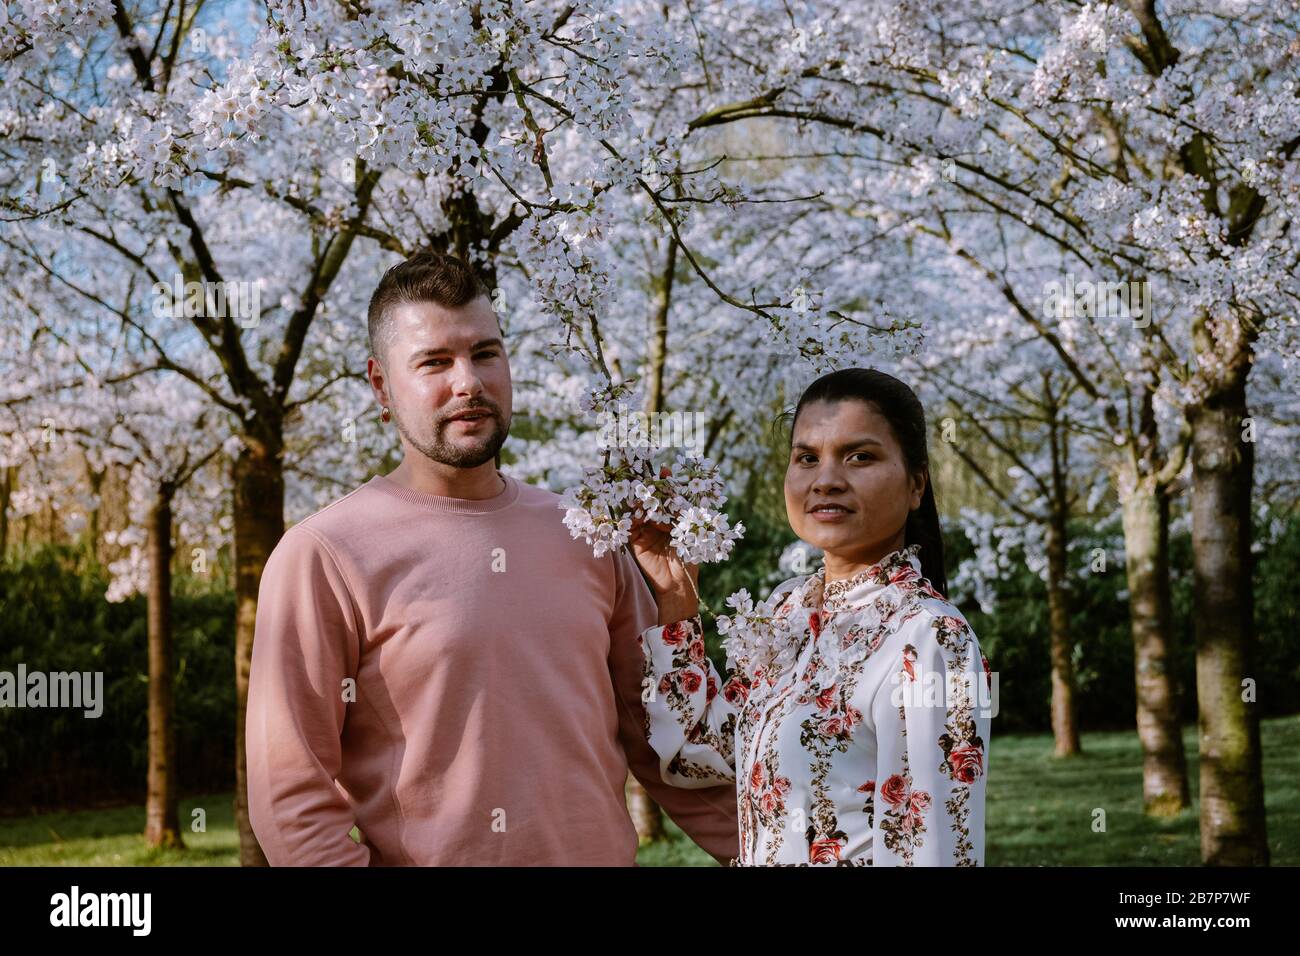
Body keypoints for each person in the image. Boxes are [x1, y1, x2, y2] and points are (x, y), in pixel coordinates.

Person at [246, 250, 739, 866]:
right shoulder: (324, 555)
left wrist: (778, 853)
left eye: (485, 353)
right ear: (381, 385)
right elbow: (291, 799)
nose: (468, 383)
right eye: (434, 362)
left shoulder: (587, 532)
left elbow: (669, 745)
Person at [629, 368, 992, 866]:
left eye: (860, 457)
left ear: (916, 485)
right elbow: (699, 754)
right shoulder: (789, 612)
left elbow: (932, 849)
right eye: (807, 458)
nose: (826, 480)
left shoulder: (929, 637)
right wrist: (676, 596)